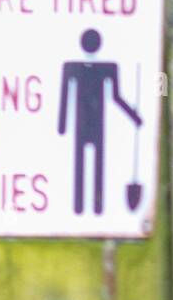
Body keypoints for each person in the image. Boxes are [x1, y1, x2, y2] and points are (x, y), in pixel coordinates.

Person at [57, 29, 142, 214]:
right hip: (87, 121)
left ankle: (96, 207)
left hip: (93, 122)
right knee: (83, 163)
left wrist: (134, 116)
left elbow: (115, 96)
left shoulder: (106, 68)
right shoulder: (75, 67)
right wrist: (62, 125)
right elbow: (65, 96)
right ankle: (81, 207)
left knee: (94, 164)